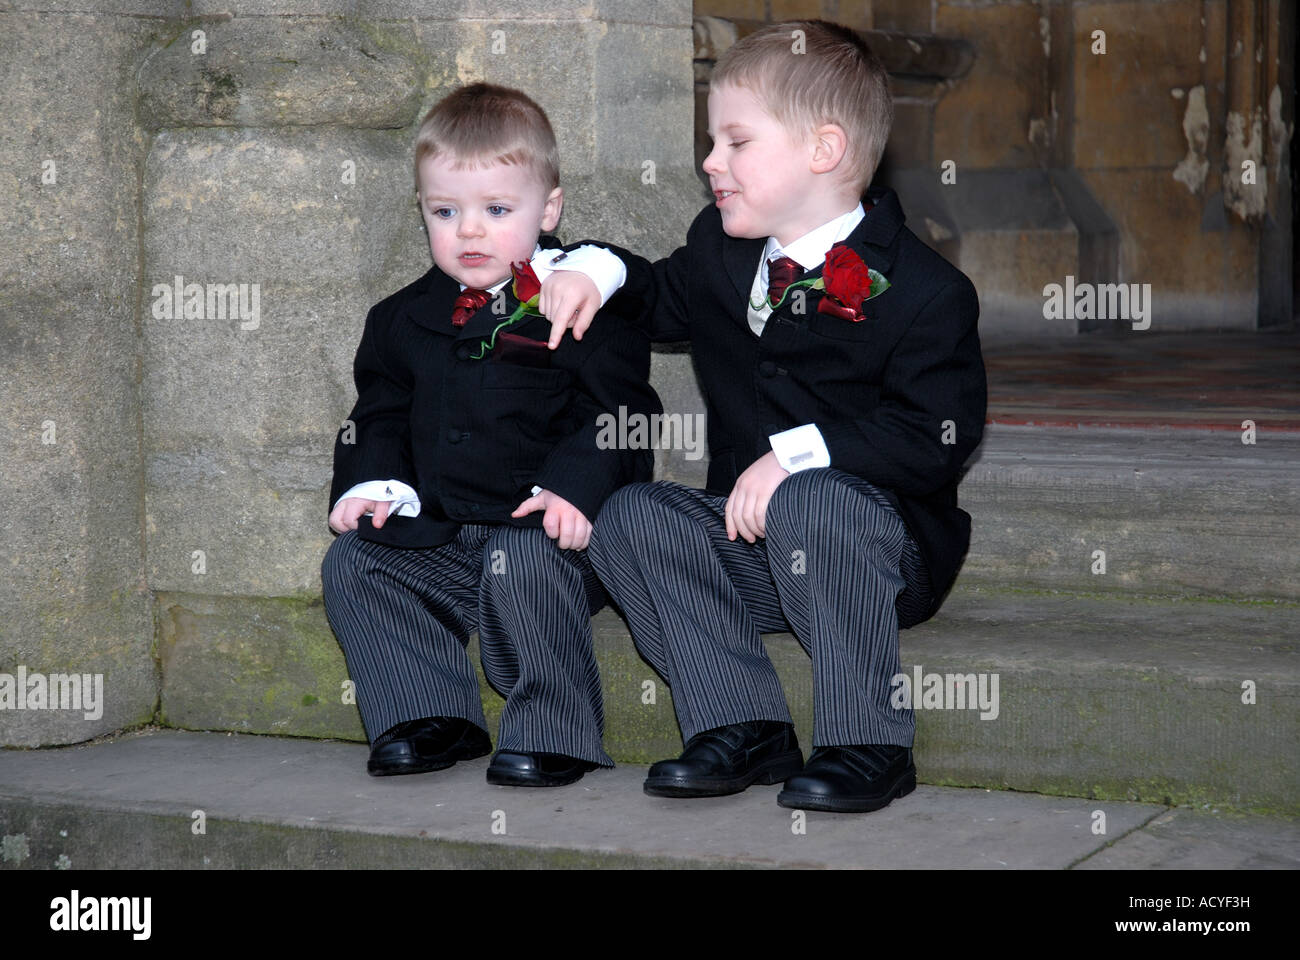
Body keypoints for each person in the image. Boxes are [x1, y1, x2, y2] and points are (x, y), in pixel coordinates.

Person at [558, 20, 987, 812]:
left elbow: (934, 439)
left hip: (871, 555)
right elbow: (652, 295)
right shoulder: (721, 252)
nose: (710, 162)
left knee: (815, 497)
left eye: (735, 142)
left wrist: (800, 454)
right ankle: (743, 721)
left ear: (822, 149)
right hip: (752, 551)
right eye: (711, 142)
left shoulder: (927, 292)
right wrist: (592, 267)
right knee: (632, 515)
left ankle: (868, 742)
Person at [321, 82, 660, 787]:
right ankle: (429, 714)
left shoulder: (576, 303)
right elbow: (377, 413)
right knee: (355, 564)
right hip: (445, 538)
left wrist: (577, 490)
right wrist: (374, 484)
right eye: (446, 212)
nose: (468, 231)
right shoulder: (400, 318)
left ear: (550, 210)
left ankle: (553, 730)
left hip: (554, 542)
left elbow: (622, 414)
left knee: (523, 557)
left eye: (497, 210)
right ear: (422, 211)